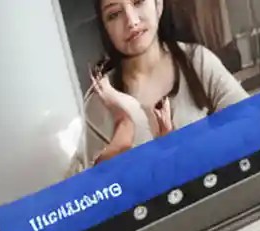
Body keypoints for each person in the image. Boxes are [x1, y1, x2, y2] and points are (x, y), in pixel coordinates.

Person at [84, 0, 249, 167]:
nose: (131, 21)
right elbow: (100, 186)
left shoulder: (197, 61)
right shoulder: (98, 104)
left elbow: (251, 124)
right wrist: (126, 124)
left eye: (138, 2)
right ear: (105, 28)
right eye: (114, 14)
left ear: (158, 5)